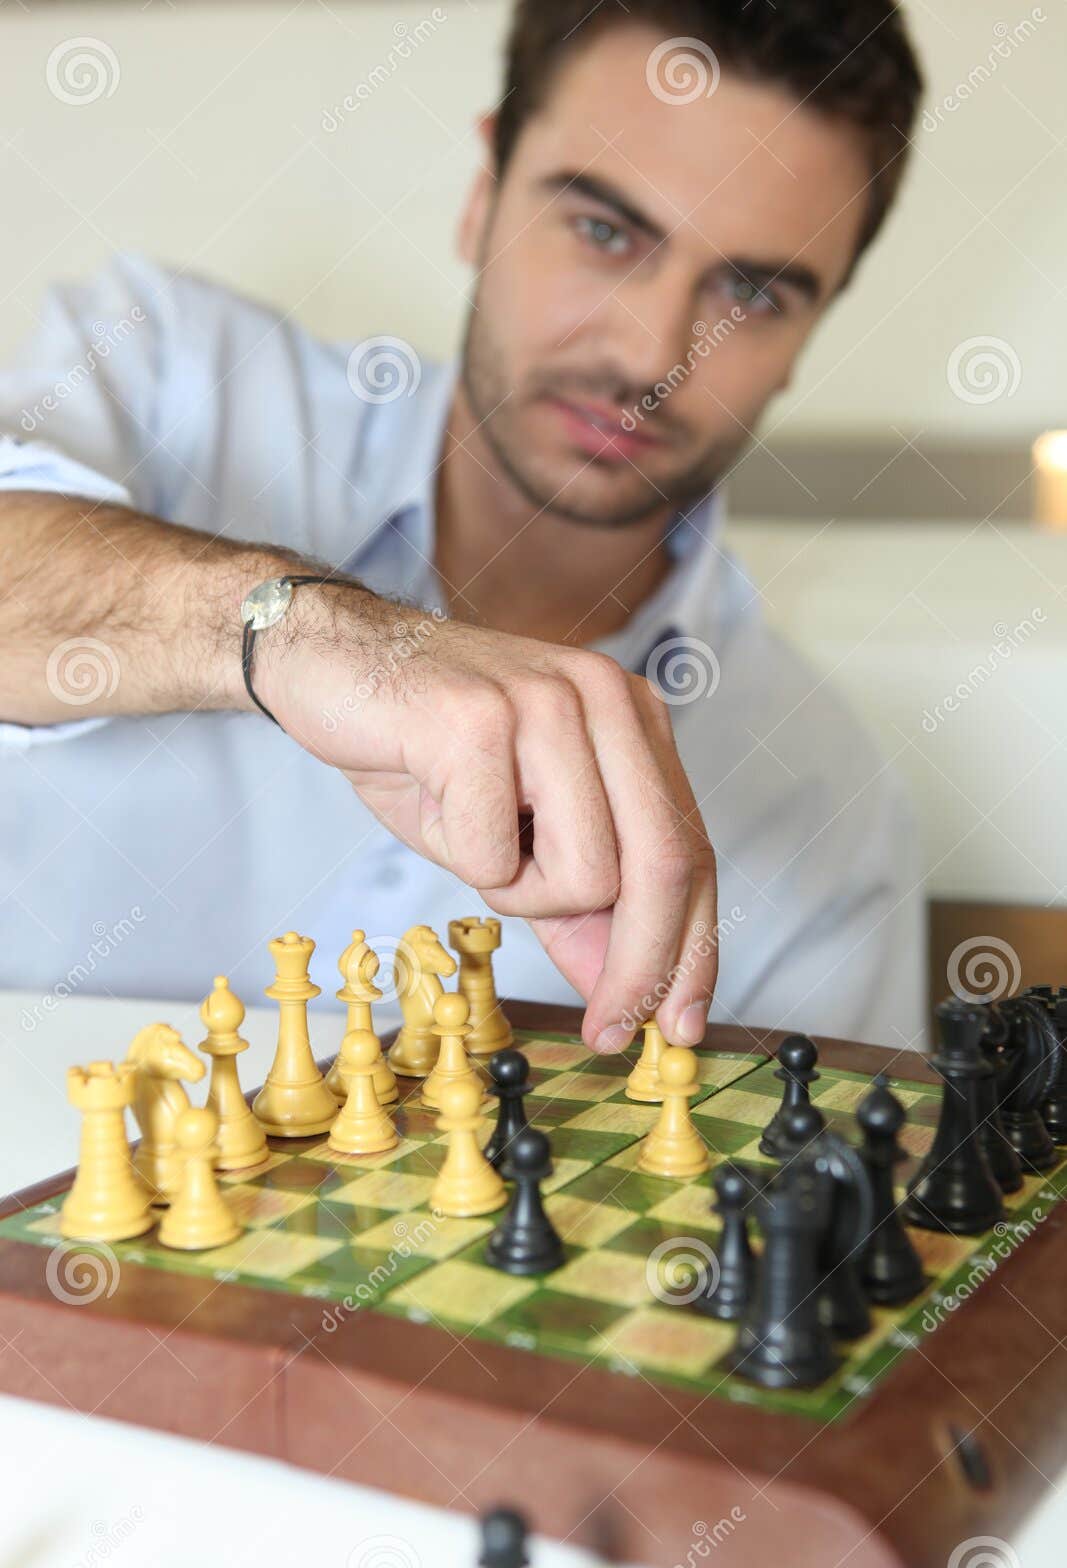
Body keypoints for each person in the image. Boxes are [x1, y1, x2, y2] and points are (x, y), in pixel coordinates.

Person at [0, 0, 926, 1050]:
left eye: (751, 292)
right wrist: (310, 639)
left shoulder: (826, 811)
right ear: (482, 195)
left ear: (813, 330)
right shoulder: (168, 376)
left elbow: (831, 1203)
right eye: (603, 230)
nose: (646, 349)